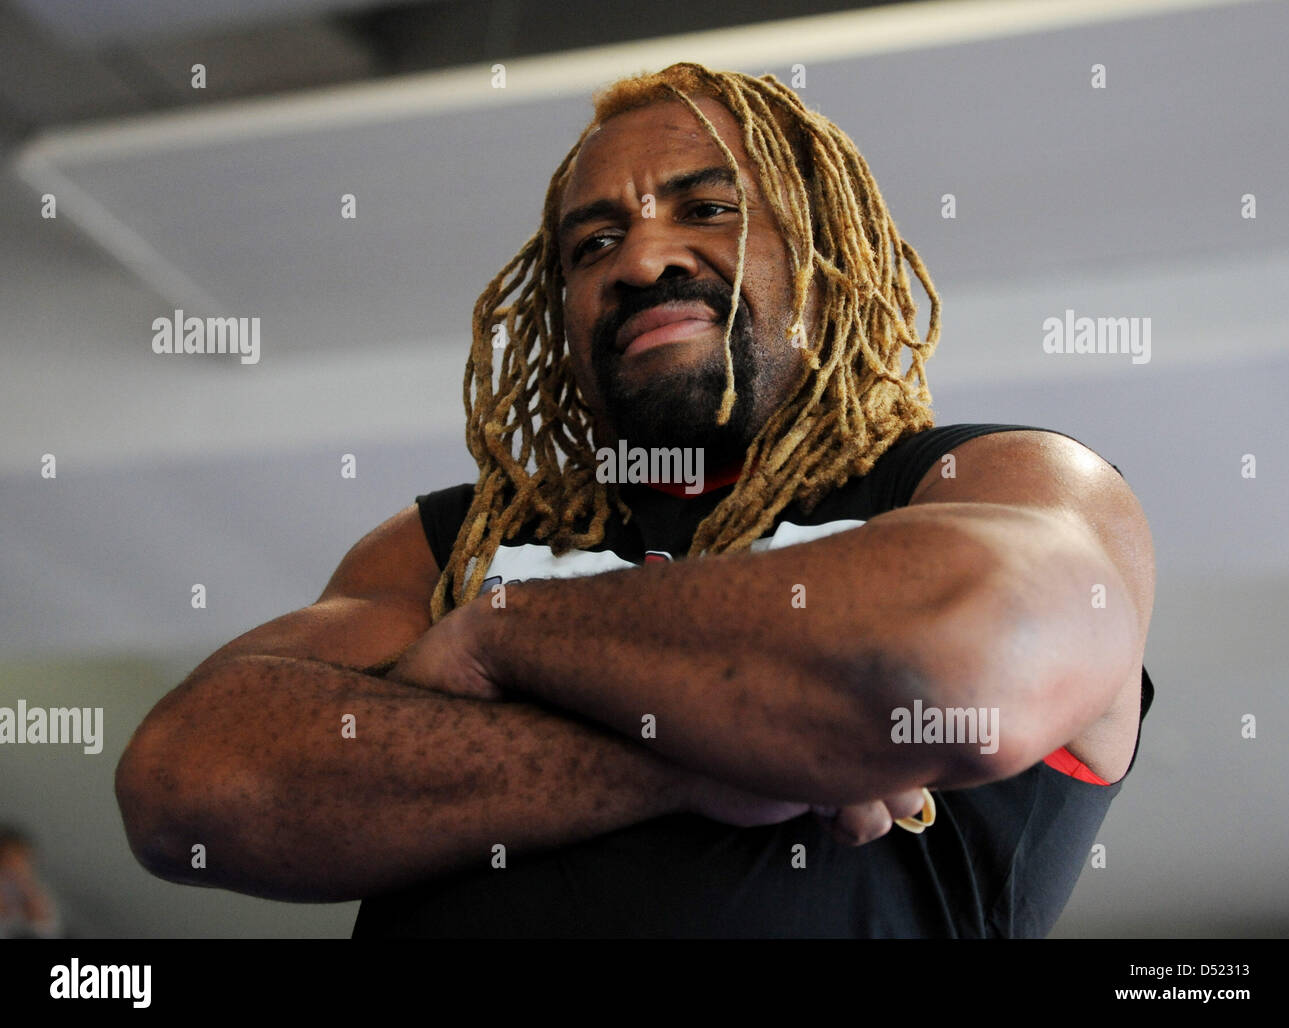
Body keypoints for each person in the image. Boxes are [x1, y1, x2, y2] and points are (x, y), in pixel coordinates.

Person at [116, 63, 1155, 938]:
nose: (642, 259)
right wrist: (709, 757)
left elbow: (958, 655)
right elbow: (191, 784)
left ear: (823, 255)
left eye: (707, 210)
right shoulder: (452, 545)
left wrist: (504, 638)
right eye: (593, 243)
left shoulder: (984, 479)